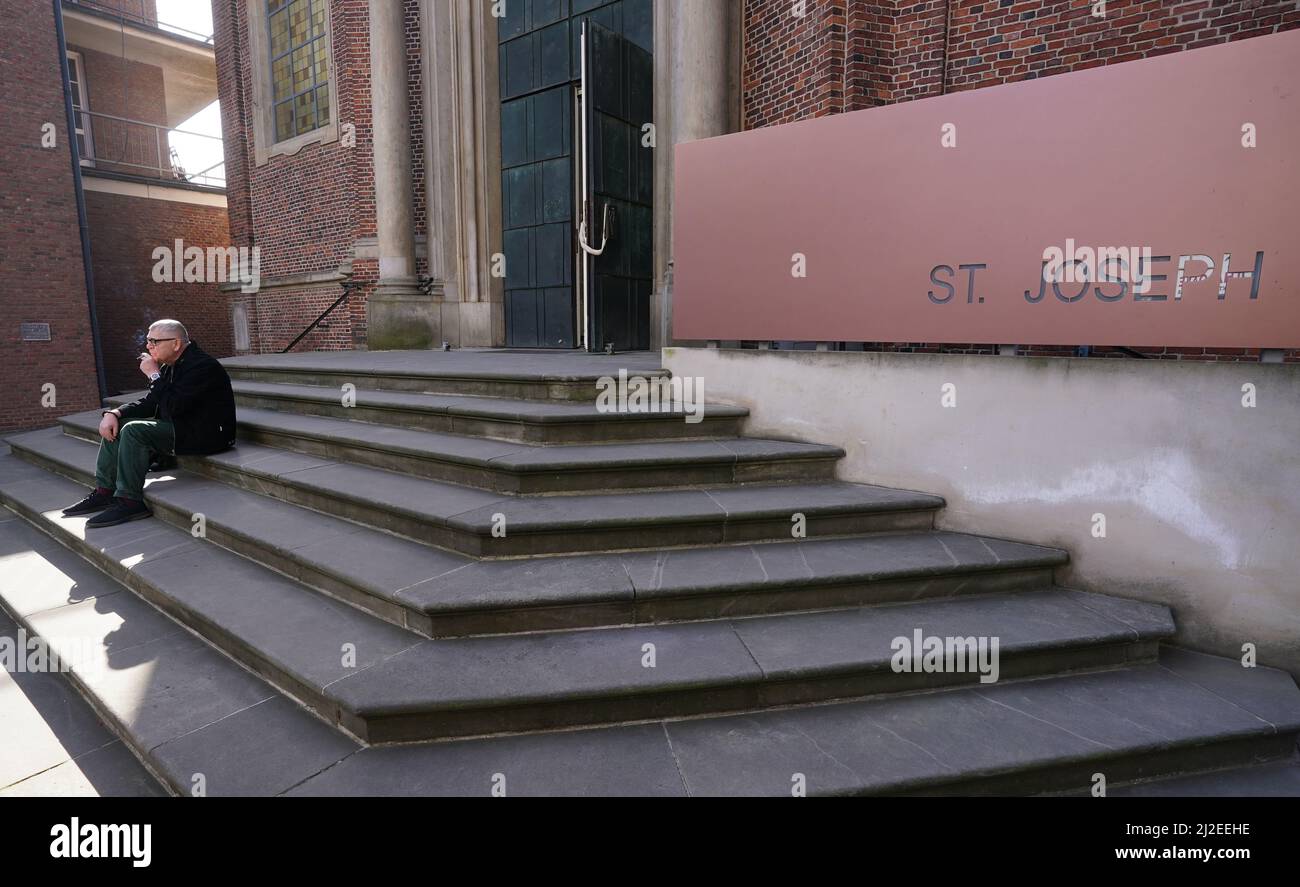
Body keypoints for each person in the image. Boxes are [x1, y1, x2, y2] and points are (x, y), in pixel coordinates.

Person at [61, 320, 237, 528]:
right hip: (183, 428)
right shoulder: (173, 365)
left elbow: (173, 406)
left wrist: (154, 375)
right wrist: (114, 412)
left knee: (134, 431)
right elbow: (153, 402)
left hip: (209, 435)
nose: (148, 346)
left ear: (176, 343)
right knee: (121, 422)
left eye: (154, 341)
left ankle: (130, 501)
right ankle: (105, 491)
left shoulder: (202, 366)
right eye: (147, 341)